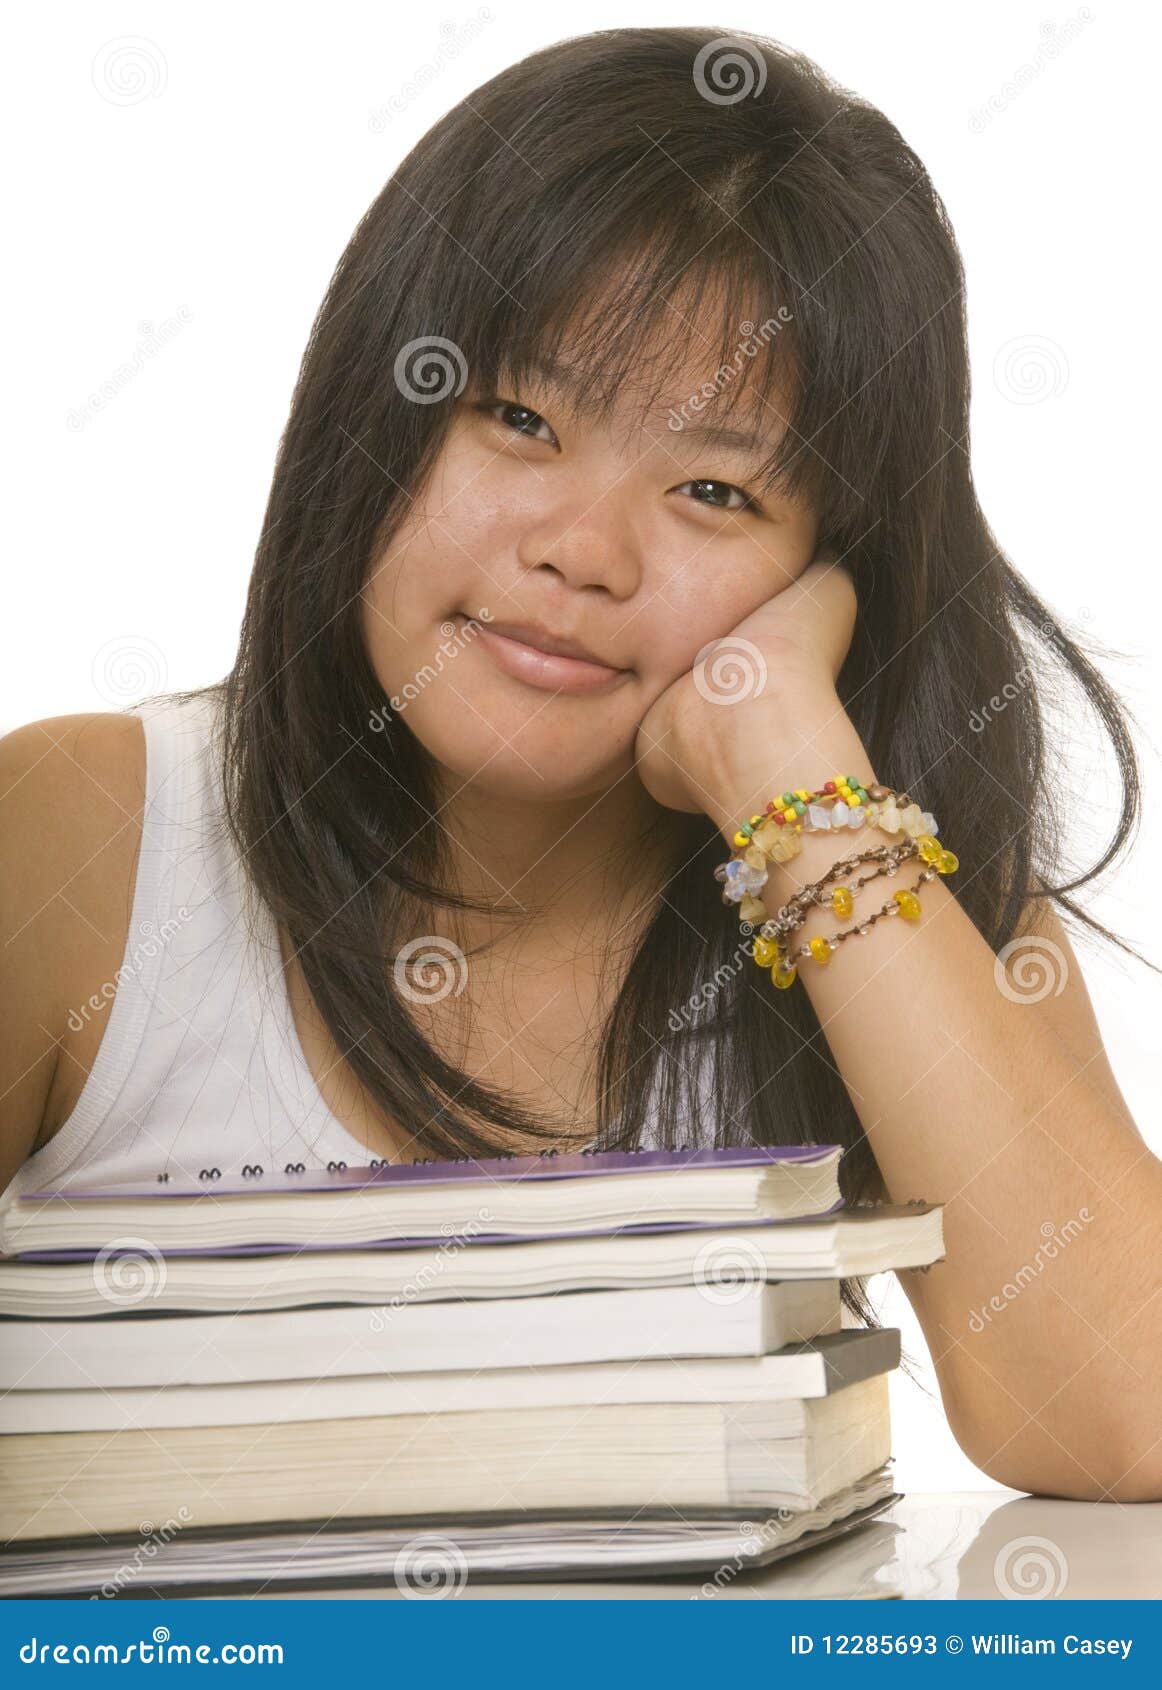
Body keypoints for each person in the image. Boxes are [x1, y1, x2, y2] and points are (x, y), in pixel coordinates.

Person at [2, 27, 1158, 1502]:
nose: (579, 551)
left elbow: (1127, 1414)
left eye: (714, 489)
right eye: (518, 416)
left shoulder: (873, 881)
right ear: (373, 409)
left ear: (834, 570)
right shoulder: (84, 834)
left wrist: (785, 762)